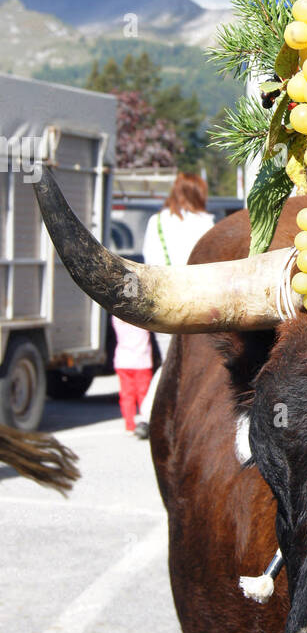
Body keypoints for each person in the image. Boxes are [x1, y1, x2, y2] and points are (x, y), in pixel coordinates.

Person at [134, 174, 214, 438]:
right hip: (196, 297)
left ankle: (148, 416)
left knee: (169, 360)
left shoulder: (156, 222)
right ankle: (173, 417)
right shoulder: (206, 222)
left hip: (163, 298)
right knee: (193, 362)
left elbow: (149, 261)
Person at [112, 314, 153, 433]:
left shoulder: (117, 319)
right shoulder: (142, 321)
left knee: (126, 395)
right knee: (143, 395)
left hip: (123, 360)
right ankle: (145, 421)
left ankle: (129, 425)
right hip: (142, 360)